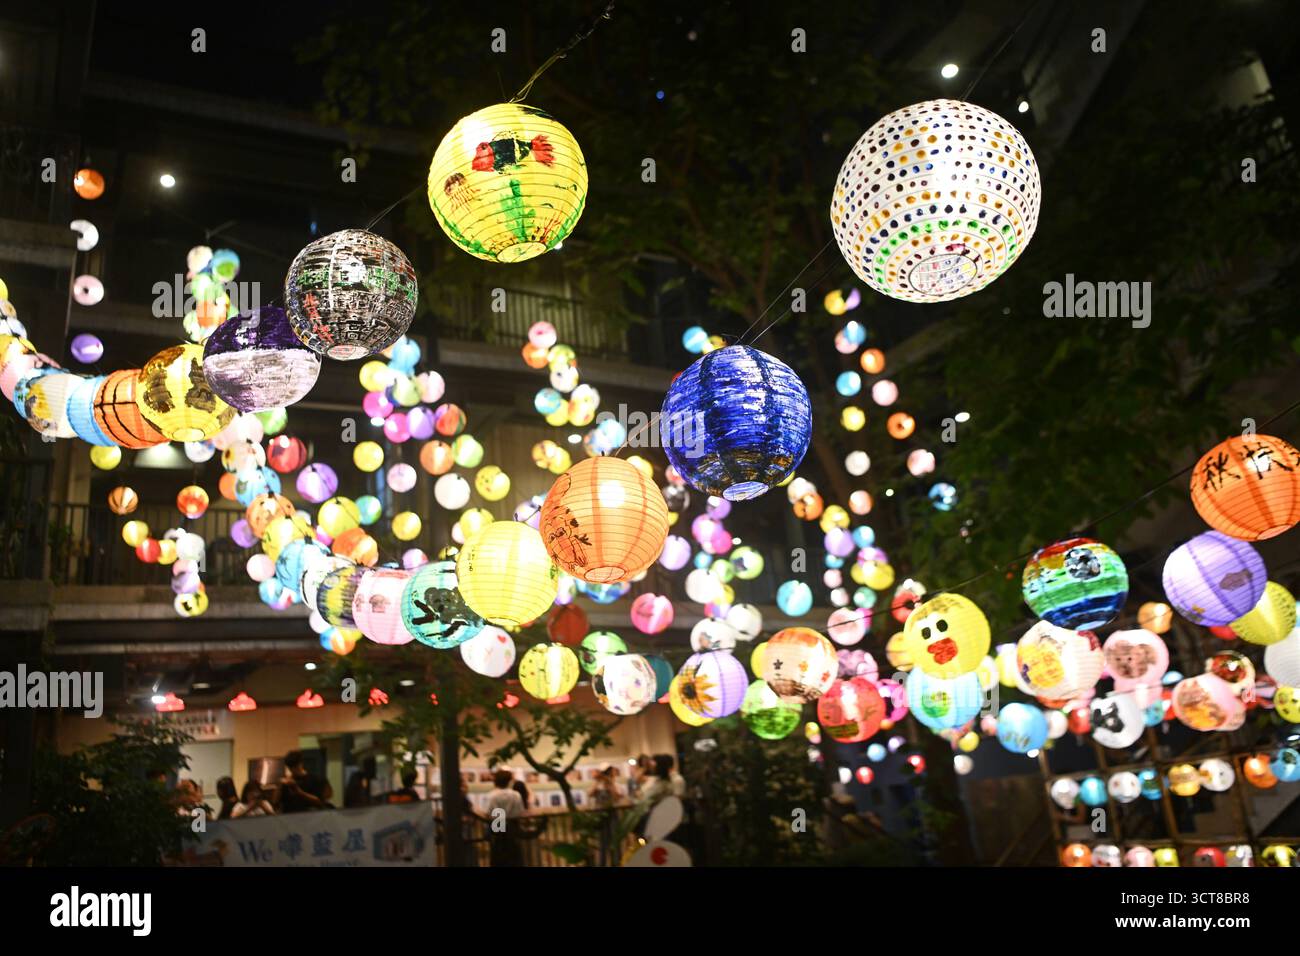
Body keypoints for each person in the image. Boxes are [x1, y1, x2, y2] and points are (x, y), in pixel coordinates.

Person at [480, 769, 526, 866]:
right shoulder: (516, 795)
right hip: (513, 828)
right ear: (509, 781)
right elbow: (520, 811)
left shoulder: (491, 796)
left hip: (497, 828)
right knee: (514, 857)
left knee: (498, 857)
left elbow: (487, 812)